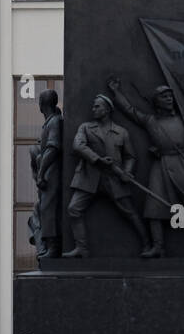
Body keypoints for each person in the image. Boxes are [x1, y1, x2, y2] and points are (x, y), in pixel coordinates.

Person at [106, 76, 184, 257]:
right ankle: (158, 247)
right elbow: (130, 111)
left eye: (170, 96)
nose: (169, 99)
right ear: (157, 102)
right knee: (154, 207)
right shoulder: (150, 121)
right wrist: (116, 92)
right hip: (161, 166)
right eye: (164, 97)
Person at [64, 93, 147, 258]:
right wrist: (98, 160)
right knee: (73, 209)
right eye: (93, 106)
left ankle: (147, 244)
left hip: (114, 179)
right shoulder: (86, 127)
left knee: (130, 212)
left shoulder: (121, 132)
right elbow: (78, 146)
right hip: (89, 177)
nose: (93, 109)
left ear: (107, 109)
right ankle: (82, 248)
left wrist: (127, 173)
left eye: (97, 106)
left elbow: (131, 157)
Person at [28, 88, 63, 259]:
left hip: (52, 174)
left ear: (41, 105)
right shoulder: (51, 122)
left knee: (48, 209)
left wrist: (41, 173)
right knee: (41, 210)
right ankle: (45, 246)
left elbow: (52, 148)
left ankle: (53, 247)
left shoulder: (54, 121)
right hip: (49, 173)